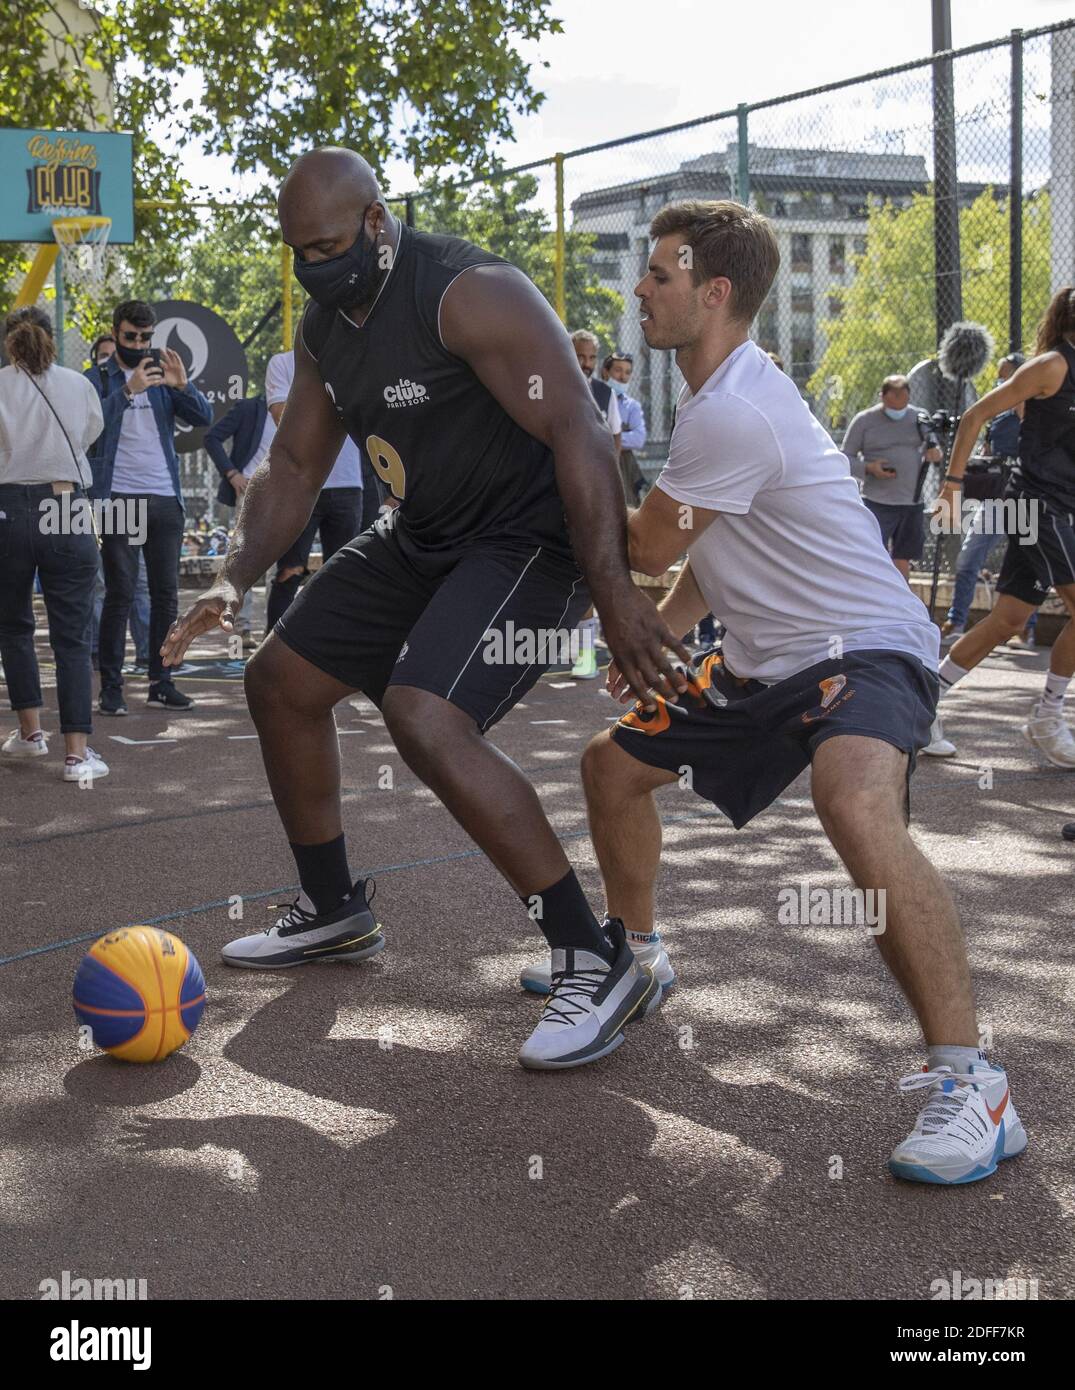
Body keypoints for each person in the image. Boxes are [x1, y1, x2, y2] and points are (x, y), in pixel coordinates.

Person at [523, 199, 1025, 1185]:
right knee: (609, 768)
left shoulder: (731, 408)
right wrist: (656, 637)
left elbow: (647, 542)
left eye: (657, 274)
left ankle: (975, 1084)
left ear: (714, 292)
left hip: (866, 651)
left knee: (851, 800)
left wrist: (563, 449)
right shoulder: (732, 400)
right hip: (761, 660)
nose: (639, 290)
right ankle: (640, 953)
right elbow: (711, 555)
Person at [162, 146, 683, 1070]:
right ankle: (333, 908)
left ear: (375, 221)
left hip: (530, 540)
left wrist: (611, 593)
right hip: (423, 535)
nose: (313, 266)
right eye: (297, 253)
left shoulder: (468, 292)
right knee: (278, 679)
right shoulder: (325, 329)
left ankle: (592, 956)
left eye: (327, 244)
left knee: (426, 716)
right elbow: (292, 467)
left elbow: (579, 428)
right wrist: (231, 576)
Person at [928, 287, 1075, 767]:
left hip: (1062, 508)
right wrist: (951, 485)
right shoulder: (1052, 366)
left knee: (1008, 620)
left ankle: (921, 704)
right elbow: (975, 416)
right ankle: (1048, 716)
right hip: (1035, 507)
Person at [86, 299, 212, 715]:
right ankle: (111, 689)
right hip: (120, 498)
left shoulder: (161, 373)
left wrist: (181, 386)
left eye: (145, 338)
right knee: (119, 593)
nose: (139, 345)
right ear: (115, 332)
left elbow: (202, 416)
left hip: (164, 498)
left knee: (166, 596)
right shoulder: (98, 378)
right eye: (130, 337)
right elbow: (88, 428)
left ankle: (162, 682)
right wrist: (127, 390)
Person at [0, 307, 109, 781]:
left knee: (13, 627)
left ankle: (29, 734)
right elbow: (91, 435)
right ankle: (76, 753)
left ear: (9, 342)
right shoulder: (77, 383)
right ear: (51, 337)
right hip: (64, 505)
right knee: (72, 635)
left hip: (7, 509)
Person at [262, 349, 366, 629]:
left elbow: (366, 414)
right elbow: (283, 418)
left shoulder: (351, 357)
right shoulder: (282, 362)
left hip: (348, 484)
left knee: (343, 576)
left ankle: (333, 652)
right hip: (299, 485)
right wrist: (336, 409)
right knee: (289, 571)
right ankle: (273, 652)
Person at [940, 353, 1030, 647]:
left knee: (1024, 562)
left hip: (1024, 498)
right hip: (995, 497)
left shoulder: (1038, 409)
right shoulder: (998, 417)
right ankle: (957, 620)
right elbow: (987, 445)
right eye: (1000, 377)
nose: (1001, 382)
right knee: (968, 559)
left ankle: (1025, 627)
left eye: (1007, 376)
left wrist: (1021, 400)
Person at [841, 375, 943, 586]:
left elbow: (935, 451)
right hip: (877, 502)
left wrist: (935, 454)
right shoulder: (864, 421)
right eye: (893, 401)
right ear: (882, 397)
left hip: (911, 502)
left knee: (903, 558)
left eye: (903, 401)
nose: (898, 407)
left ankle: (903, 603)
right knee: (872, 556)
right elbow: (845, 458)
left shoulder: (919, 418)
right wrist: (869, 468)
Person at [569, 330, 623, 679]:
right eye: (580, 356)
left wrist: (605, 476)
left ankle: (586, 657)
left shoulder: (606, 394)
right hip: (551, 497)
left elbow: (616, 436)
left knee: (591, 573)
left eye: (591, 358)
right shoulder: (544, 386)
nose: (587, 364)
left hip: (592, 500)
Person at [204, 390, 275, 650]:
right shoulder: (249, 408)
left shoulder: (301, 408)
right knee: (246, 559)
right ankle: (242, 627)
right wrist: (232, 473)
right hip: (250, 492)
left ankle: (276, 631)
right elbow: (211, 437)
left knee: (282, 565)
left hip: (288, 494)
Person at [601, 351, 646, 504]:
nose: (623, 377)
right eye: (618, 370)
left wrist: (608, 438)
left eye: (627, 372)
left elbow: (639, 439)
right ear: (605, 372)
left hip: (623, 466)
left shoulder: (632, 406)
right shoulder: (594, 397)